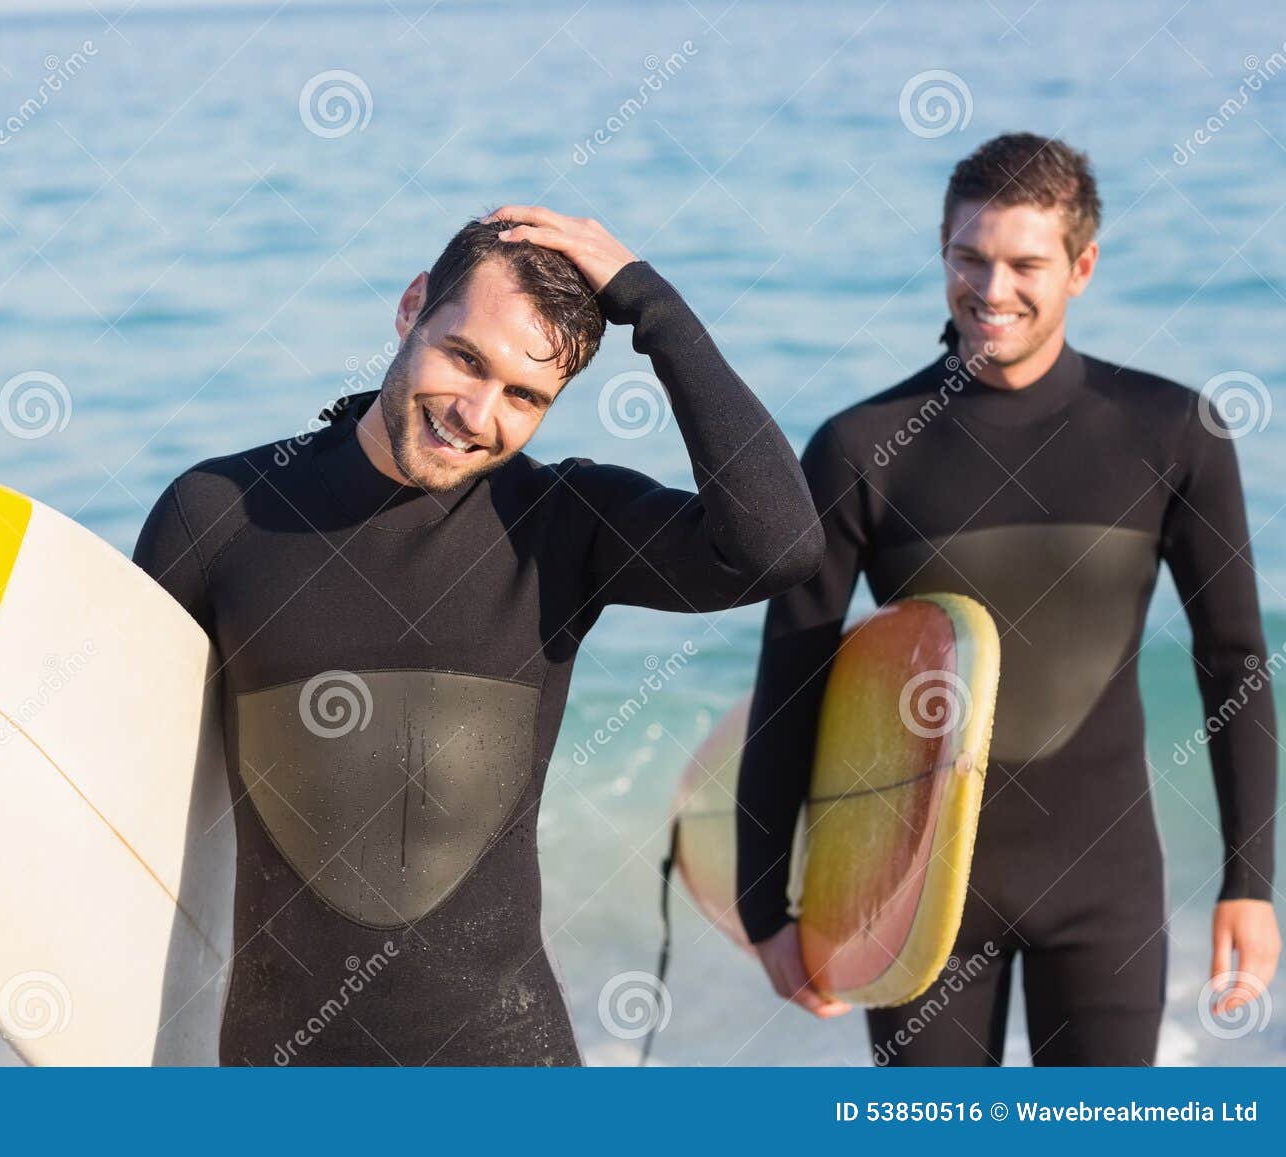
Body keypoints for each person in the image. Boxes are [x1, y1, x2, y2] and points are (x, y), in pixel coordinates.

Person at [134, 205, 823, 1065]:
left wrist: (653, 304)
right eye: (465, 358)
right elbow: (122, 786)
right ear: (412, 305)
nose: (477, 413)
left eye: (525, 397)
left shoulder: (561, 529)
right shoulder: (220, 515)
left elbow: (779, 545)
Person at [736, 133, 1280, 1065]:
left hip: (1105, 889)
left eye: (1026, 263)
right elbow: (794, 674)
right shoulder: (864, 447)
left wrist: (1250, 883)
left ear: (1083, 266)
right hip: (911, 894)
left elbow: (1232, 659)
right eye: (968, 258)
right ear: (941, 251)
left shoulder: (1169, 431)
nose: (992, 290)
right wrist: (765, 903)